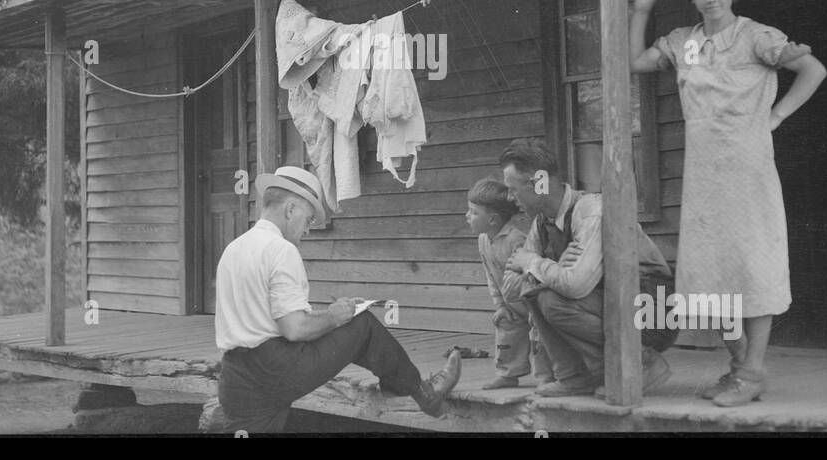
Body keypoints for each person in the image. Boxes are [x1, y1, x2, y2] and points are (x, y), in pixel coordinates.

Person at [629, 0, 827, 406]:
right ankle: (738, 369)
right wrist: (641, 9)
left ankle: (753, 372)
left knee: (752, 267)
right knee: (713, 272)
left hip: (748, 170)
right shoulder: (684, 42)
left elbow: (813, 69)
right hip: (703, 176)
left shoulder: (757, 36)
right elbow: (637, 62)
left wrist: (776, 115)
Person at [215, 165, 461, 432]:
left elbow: (269, 319)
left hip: (234, 377)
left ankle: (404, 385)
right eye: (308, 220)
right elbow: (295, 329)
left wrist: (333, 315)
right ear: (290, 209)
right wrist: (334, 316)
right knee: (363, 324)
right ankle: (424, 393)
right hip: (273, 369)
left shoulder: (233, 248)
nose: (307, 231)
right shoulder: (281, 249)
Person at [500, 138, 677, 398]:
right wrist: (555, 268)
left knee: (551, 298)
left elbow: (575, 285)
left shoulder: (591, 210)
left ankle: (640, 363)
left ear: (539, 182)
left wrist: (533, 264)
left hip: (655, 309)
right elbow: (510, 288)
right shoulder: (542, 223)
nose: (509, 198)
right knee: (538, 292)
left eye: (513, 189)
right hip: (613, 302)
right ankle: (575, 377)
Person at [466, 178, 552, 389]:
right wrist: (501, 305)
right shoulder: (483, 240)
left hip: (532, 301)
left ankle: (547, 376)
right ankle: (508, 373)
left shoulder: (516, 240)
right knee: (505, 324)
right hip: (511, 303)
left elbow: (530, 274)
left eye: (474, 212)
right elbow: (490, 274)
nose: (467, 216)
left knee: (539, 335)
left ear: (493, 219)